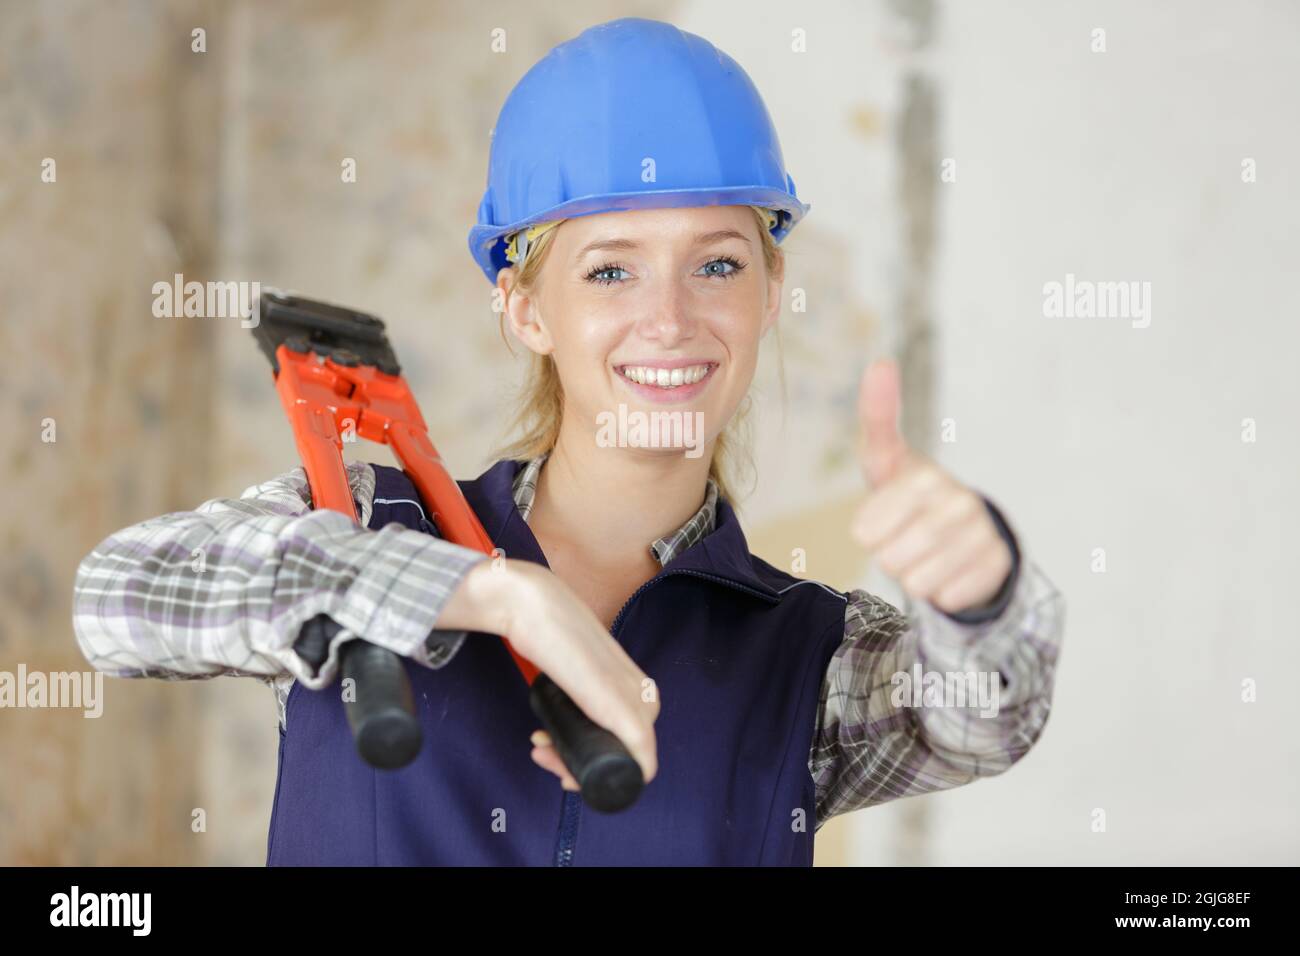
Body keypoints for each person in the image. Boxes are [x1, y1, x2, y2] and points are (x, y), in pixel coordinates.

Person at [72, 17, 1064, 866]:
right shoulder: (355, 522)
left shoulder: (807, 651)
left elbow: (981, 717)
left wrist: (981, 598)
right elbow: (118, 597)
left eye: (715, 265)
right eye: (609, 272)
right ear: (523, 308)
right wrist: (491, 592)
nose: (669, 318)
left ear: (769, 295)